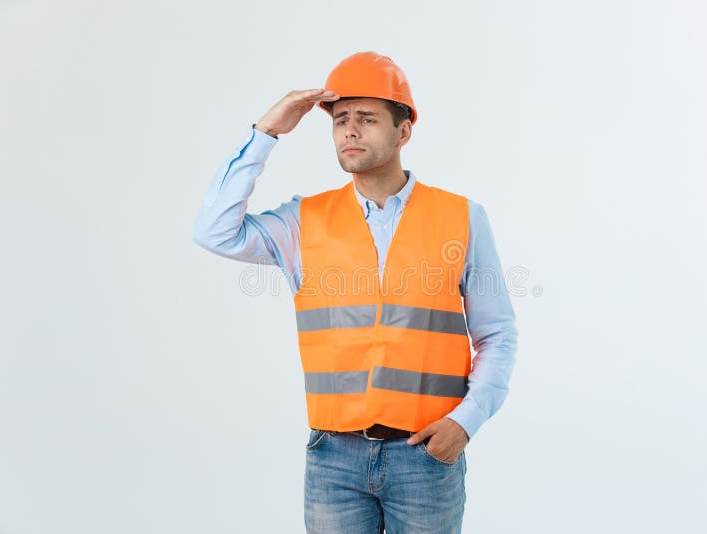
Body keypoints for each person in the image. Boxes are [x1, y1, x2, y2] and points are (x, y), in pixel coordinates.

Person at [192, 51, 518, 533]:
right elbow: (214, 231)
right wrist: (266, 132)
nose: (350, 131)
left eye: (367, 119)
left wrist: (465, 422)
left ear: (403, 132)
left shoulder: (463, 218)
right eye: (340, 119)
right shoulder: (302, 222)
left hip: (426, 454)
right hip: (333, 461)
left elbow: (497, 334)